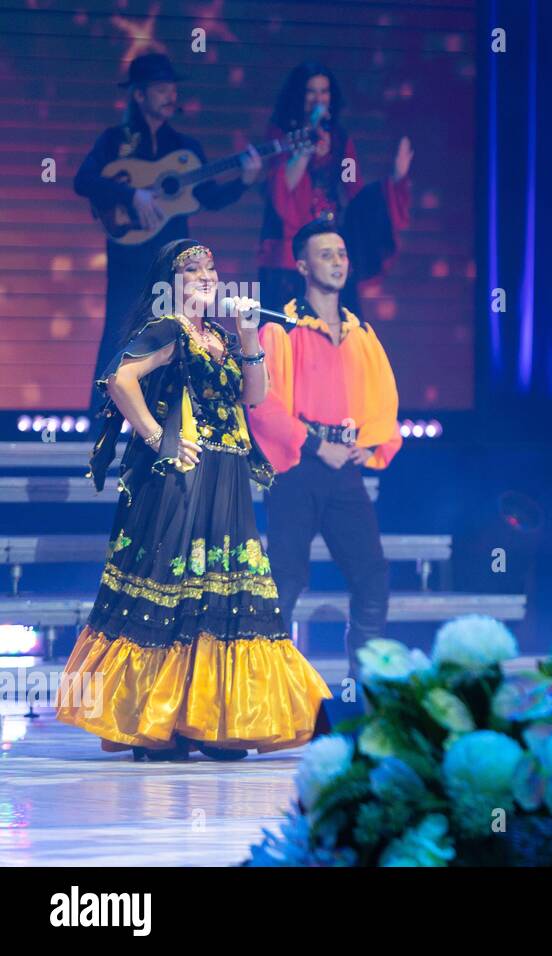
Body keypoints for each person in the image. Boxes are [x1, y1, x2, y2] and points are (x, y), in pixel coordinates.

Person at [55, 239, 331, 760]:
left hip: (225, 480)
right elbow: (119, 378)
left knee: (222, 598)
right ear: (170, 284)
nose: (206, 276)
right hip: (180, 481)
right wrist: (158, 434)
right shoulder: (168, 329)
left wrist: (250, 334)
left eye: (211, 267)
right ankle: (158, 720)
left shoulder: (222, 337)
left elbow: (254, 396)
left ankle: (214, 720)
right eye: (192, 270)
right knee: (173, 593)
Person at [247, 220, 402, 676]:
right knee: (286, 579)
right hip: (297, 466)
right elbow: (262, 402)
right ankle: (268, 686)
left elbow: (384, 398)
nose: (337, 261)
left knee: (372, 574)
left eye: (342, 253)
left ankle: (364, 685)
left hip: (344, 468)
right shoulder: (282, 328)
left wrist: (368, 442)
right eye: (325, 254)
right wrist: (315, 444)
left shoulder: (361, 334)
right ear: (301, 265)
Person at [74, 53, 261, 412]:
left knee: (177, 329)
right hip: (130, 256)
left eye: (172, 89)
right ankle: (101, 421)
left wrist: (244, 180)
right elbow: (84, 180)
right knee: (120, 328)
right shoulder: (115, 140)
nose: (170, 96)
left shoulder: (185, 148)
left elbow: (209, 197)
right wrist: (132, 194)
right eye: (161, 89)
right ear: (139, 95)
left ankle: (174, 414)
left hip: (174, 261)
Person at [258, 61, 412, 319]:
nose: (318, 98)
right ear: (299, 95)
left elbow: (356, 194)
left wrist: (394, 180)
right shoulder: (280, 136)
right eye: (311, 91)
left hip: (328, 243)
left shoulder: (340, 140)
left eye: (324, 91)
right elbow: (282, 191)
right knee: (286, 327)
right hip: (286, 250)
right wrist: (307, 143)